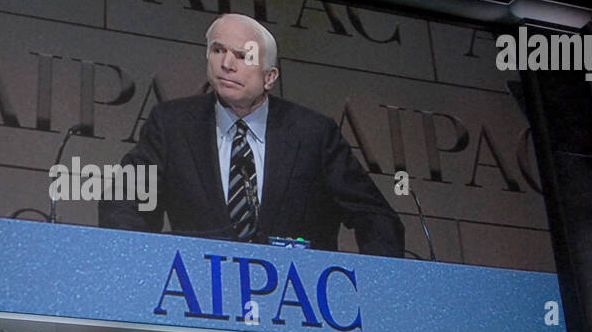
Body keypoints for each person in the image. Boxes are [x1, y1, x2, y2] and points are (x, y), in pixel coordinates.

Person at [99, 13, 404, 256]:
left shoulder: (313, 133)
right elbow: (124, 200)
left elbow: (377, 218)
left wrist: (375, 290)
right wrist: (135, 267)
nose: (226, 64)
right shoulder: (172, 123)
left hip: (298, 306)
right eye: (218, 50)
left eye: (243, 56)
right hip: (195, 300)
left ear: (269, 77)